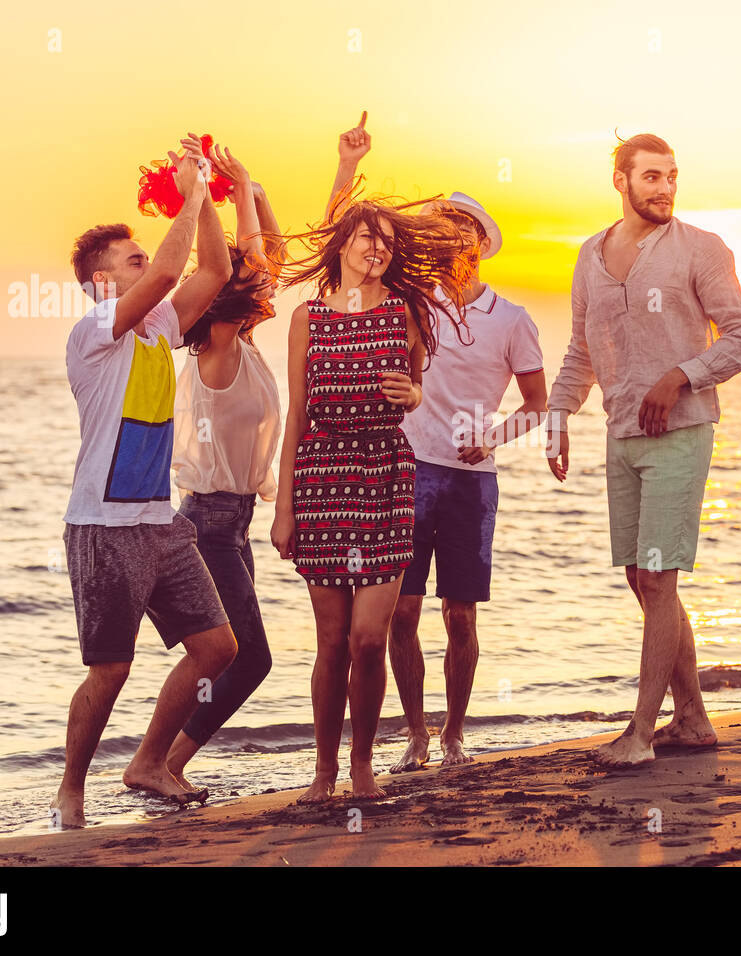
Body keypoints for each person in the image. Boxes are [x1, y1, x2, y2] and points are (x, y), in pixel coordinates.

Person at [327, 125, 548, 772]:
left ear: (481, 243)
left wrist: (494, 436)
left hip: (471, 485)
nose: (451, 235)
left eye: (462, 227)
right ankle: (417, 736)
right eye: (442, 225)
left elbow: (538, 405)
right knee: (400, 614)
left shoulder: (511, 320)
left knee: (460, 619)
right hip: (407, 470)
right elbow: (346, 237)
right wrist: (348, 164)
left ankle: (453, 734)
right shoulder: (410, 302)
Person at [269, 113, 474, 802]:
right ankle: (324, 774)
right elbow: (297, 414)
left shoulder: (407, 309)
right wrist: (284, 506)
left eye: (386, 242)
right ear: (346, 243)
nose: (378, 250)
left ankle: (363, 765)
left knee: (366, 638)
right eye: (367, 239)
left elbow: (416, 389)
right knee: (330, 643)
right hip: (323, 480)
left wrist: (412, 392)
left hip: (386, 477)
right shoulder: (308, 317)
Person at [545, 132, 741, 768]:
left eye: (671, 176)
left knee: (660, 578)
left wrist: (681, 375)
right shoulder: (589, 256)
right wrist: (558, 413)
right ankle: (692, 719)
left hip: (682, 432)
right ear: (620, 180)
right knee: (643, 581)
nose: (665, 188)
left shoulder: (701, 249)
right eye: (651, 177)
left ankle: (639, 733)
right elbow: (581, 351)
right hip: (621, 434)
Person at [54, 142, 236, 828]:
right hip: (102, 525)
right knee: (111, 670)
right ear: (102, 281)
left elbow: (212, 267)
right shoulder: (94, 330)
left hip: (160, 523)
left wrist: (208, 190)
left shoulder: (161, 325)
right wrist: (187, 194)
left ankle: (149, 763)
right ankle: (70, 790)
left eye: (140, 255)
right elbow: (166, 270)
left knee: (217, 650)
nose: (146, 263)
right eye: (127, 259)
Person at [165, 140, 285, 794]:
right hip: (207, 525)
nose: (265, 285)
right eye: (251, 283)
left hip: (228, 524)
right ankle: (161, 763)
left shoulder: (242, 345)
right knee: (245, 656)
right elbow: (243, 266)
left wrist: (249, 191)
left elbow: (256, 264)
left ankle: (162, 763)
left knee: (236, 655)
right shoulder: (216, 350)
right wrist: (225, 192)